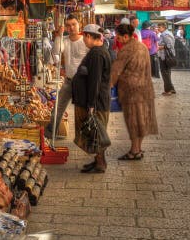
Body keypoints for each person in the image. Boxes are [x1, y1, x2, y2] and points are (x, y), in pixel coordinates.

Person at [110, 24, 159, 160]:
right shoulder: (142, 46)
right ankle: (138, 148)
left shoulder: (126, 49)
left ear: (126, 36)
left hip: (131, 92)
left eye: (118, 37)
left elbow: (115, 71)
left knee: (133, 121)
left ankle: (134, 151)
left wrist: (108, 85)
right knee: (141, 121)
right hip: (145, 89)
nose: (117, 39)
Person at [72, 24, 112, 173]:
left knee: (97, 132)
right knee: (95, 132)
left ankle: (101, 163)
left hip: (96, 102)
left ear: (88, 36)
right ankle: (97, 161)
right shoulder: (99, 51)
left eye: (84, 37)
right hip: (97, 100)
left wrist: (91, 105)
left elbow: (95, 80)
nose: (83, 40)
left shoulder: (96, 53)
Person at [48, 14, 89, 140]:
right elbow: (56, 52)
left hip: (83, 82)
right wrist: (59, 35)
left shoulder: (85, 41)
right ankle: (50, 134)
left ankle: (86, 136)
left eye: (73, 24)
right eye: (68, 25)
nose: (71, 27)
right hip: (68, 81)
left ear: (79, 25)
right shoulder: (64, 40)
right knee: (57, 108)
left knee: (83, 110)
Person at [157, 22, 176, 95]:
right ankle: (171, 89)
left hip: (165, 56)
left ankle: (168, 90)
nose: (158, 29)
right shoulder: (166, 34)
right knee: (167, 73)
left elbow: (169, 45)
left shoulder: (165, 34)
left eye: (159, 27)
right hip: (164, 56)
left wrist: (160, 47)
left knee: (165, 73)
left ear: (164, 27)